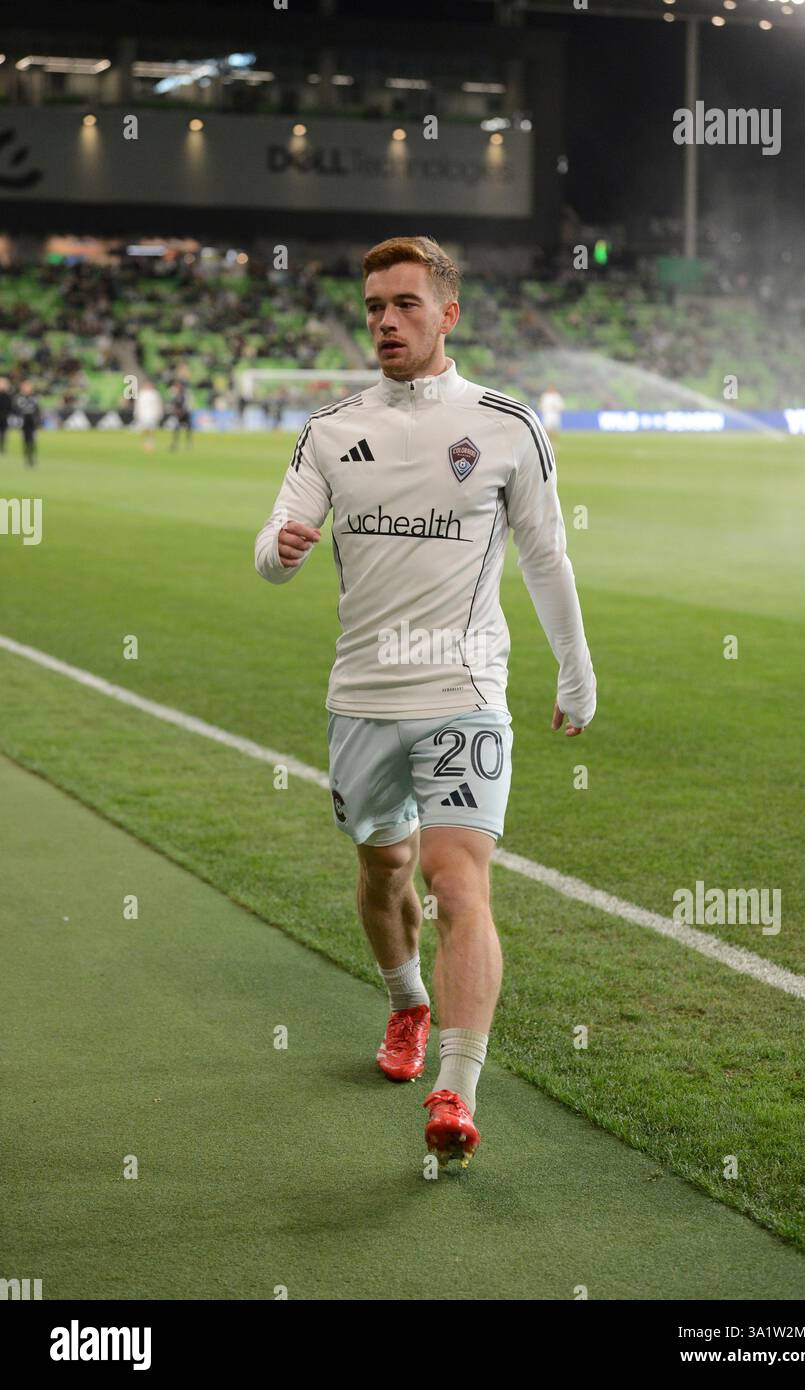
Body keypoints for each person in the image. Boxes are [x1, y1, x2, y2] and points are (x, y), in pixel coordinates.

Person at [254, 236, 596, 1169]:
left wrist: (576, 670)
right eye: (373, 307)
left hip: (463, 689)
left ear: (448, 314)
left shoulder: (504, 425)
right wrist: (277, 550)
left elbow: (544, 556)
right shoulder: (330, 428)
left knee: (456, 880)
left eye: (405, 304)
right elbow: (272, 537)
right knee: (383, 875)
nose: (386, 322)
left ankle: (458, 1087)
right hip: (362, 694)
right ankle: (407, 1001)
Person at [16, 381, 41, 468]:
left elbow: (37, 410)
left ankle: (32, 458)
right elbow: (17, 410)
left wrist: (38, 421)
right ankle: (26, 458)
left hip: (32, 422)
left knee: (33, 441)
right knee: (25, 441)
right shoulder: (19, 398)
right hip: (23, 423)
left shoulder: (34, 397)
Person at [133, 379, 163, 452]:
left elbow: (158, 404)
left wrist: (159, 413)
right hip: (143, 414)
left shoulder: (155, 394)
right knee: (145, 430)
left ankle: (151, 443)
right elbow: (138, 405)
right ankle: (146, 443)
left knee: (152, 430)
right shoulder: (142, 393)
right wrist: (136, 413)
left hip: (152, 414)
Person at [168, 380, 193, 451]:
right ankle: (175, 444)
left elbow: (188, 404)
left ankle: (189, 444)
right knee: (176, 429)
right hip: (178, 415)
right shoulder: (176, 394)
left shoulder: (186, 394)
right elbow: (173, 404)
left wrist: (183, 412)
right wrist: (176, 411)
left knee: (188, 429)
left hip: (186, 414)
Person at [0, 377, 12, 454]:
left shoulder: (8, 396)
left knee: (4, 433)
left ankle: (2, 447)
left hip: (4, 417)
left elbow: (10, 407)